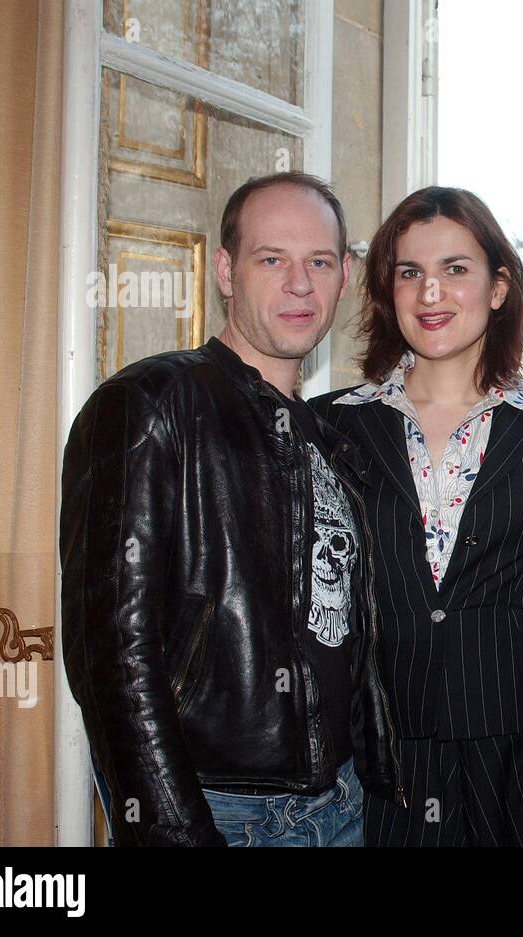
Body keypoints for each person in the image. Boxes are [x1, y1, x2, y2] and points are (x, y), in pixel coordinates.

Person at [60, 172, 400, 846]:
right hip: (223, 812)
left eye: (320, 262)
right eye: (272, 258)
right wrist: (174, 828)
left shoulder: (331, 441)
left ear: (343, 277)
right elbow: (111, 653)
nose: (299, 283)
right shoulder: (151, 403)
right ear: (225, 270)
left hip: (342, 805)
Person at [310, 186, 523, 846]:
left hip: (519, 750)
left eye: (455, 269)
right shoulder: (330, 424)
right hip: (379, 759)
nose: (430, 292)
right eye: (409, 272)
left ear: (498, 287)